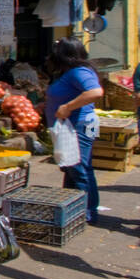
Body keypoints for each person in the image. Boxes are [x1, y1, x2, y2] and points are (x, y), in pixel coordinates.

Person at [44, 38, 103, 225]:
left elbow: (95, 92)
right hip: (73, 126)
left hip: (80, 125)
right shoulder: (68, 73)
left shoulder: (80, 72)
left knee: (80, 168)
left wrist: (68, 107)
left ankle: (87, 212)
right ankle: (72, 208)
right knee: (71, 168)